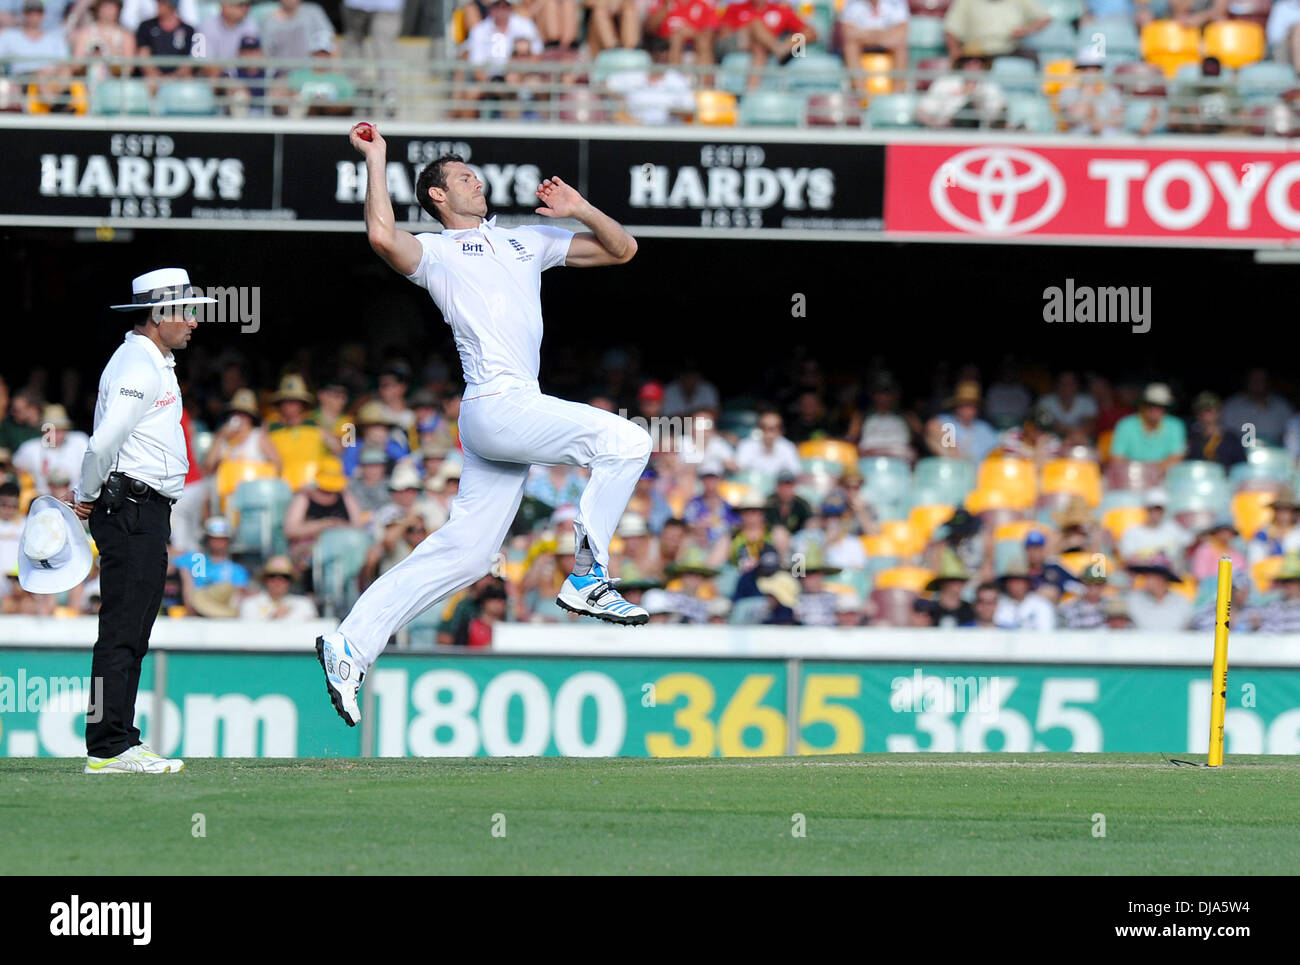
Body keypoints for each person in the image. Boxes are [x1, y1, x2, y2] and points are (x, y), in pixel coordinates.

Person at [315, 128, 650, 726]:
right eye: (464, 176)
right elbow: (381, 235)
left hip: (508, 415)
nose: (479, 180)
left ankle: (350, 646)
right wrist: (376, 158)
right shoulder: (437, 252)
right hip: (496, 404)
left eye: (476, 174)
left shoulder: (527, 241)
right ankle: (587, 575)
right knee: (628, 441)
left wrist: (579, 210)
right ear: (439, 197)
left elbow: (623, 251)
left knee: (468, 554)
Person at [73, 267, 212, 775]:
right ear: (158, 315)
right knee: (122, 631)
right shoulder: (139, 364)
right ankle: (108, 746)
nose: (195, 321)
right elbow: (104, 440)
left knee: (129, 630)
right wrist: (84, 495)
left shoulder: (152, 359)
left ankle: (116, 740)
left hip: (141, 509)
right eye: (186, 311)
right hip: (130, 507)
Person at [238, 554, 318, 619]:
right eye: (273, 576)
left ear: (290, 581)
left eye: (284, 576)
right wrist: (273, 618)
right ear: (265, 579)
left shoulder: (304, 604)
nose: (278, 581)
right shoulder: (250, 604)